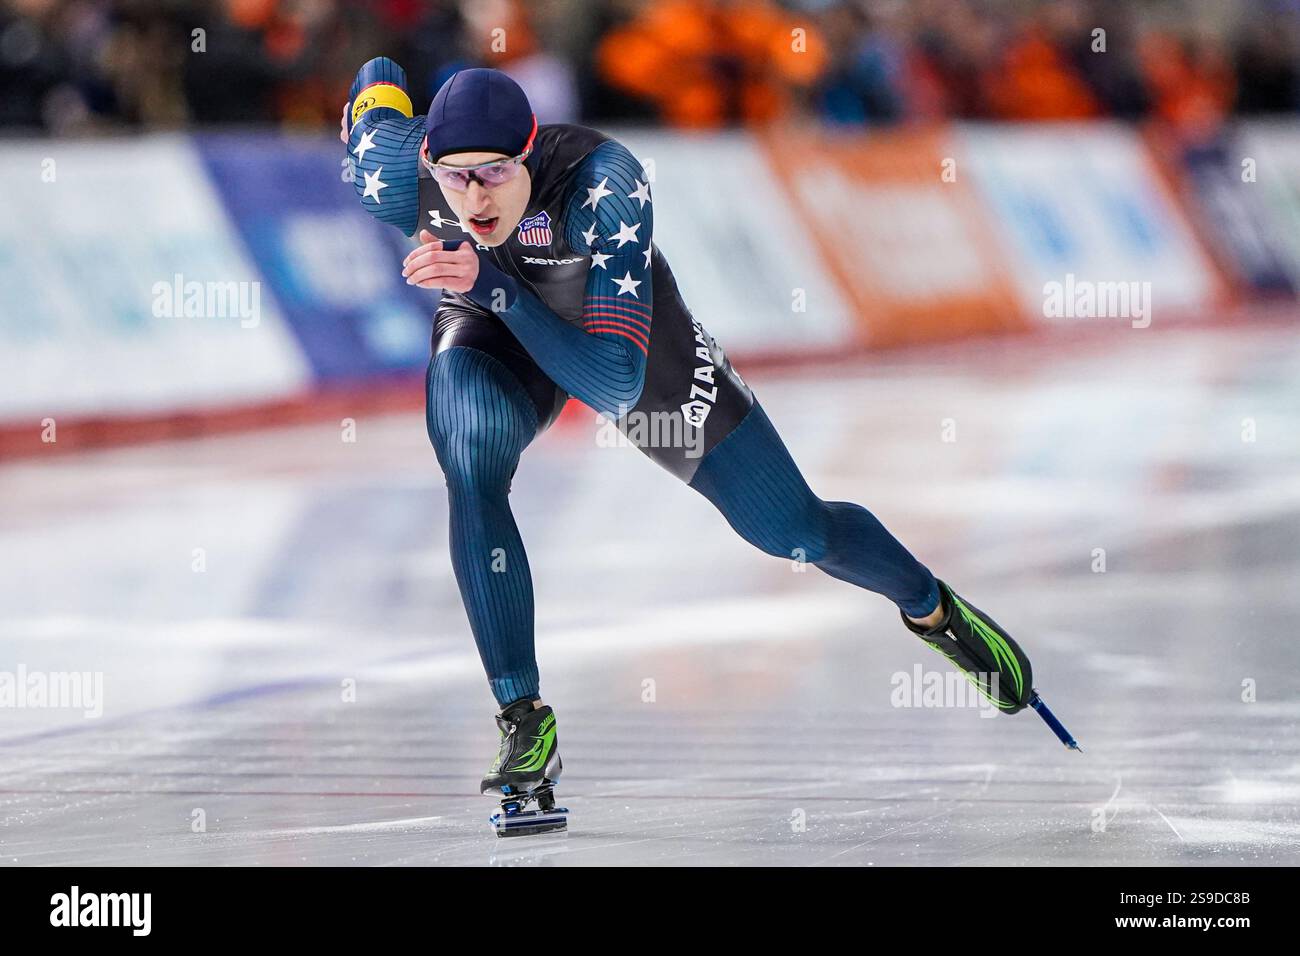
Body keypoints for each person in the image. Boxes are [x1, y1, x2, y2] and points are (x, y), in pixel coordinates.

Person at [341, 58, 1035, 834]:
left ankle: (933, 609)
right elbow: (372, 105)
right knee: (468, 455)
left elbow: (615, 383)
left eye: (497, 174)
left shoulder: (605, 184)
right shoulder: (395, 176)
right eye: (456, 178)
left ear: (530, 151)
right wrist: (378, 86)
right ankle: (524, 718)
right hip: (493, 326)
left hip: (622, 341)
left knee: (795, 531)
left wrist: (493, 283)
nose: (474, 198)